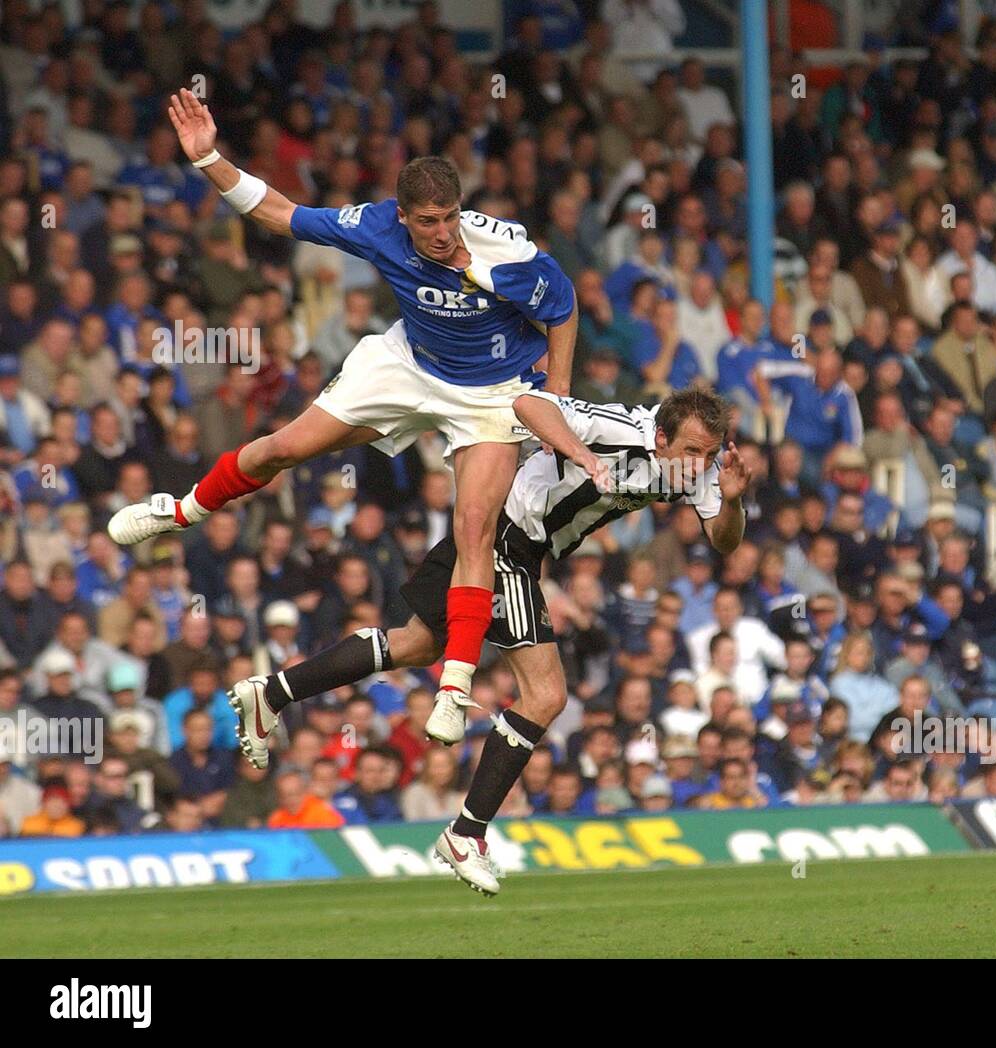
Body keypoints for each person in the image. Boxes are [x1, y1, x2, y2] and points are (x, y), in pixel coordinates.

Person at [105, 89, 604, 741]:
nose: (443, 232)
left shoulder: (503, 252)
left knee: (475, 523)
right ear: (404, 216)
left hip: (494, 391)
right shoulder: (375, 226)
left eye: (451, 216)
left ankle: (454, 688)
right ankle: (178, 511)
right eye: (428, 221)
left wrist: (556, 396)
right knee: (283, 448)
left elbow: (562, 305)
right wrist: (208, 161)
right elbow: (282, 212)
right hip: (407, 364)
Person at [227, 388, 749, 895]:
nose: (699, 464)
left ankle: (271, 693)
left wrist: (734, 501)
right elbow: (529, 403)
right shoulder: (618, 428)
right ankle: (466, 833)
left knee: (416, 644)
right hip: (506, 539)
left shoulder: (699, 470)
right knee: (545, 696)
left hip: (499, 534)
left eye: (707, 454)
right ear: (659, 437)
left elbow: (723, 540)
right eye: (690, 452)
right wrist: (580, 454)